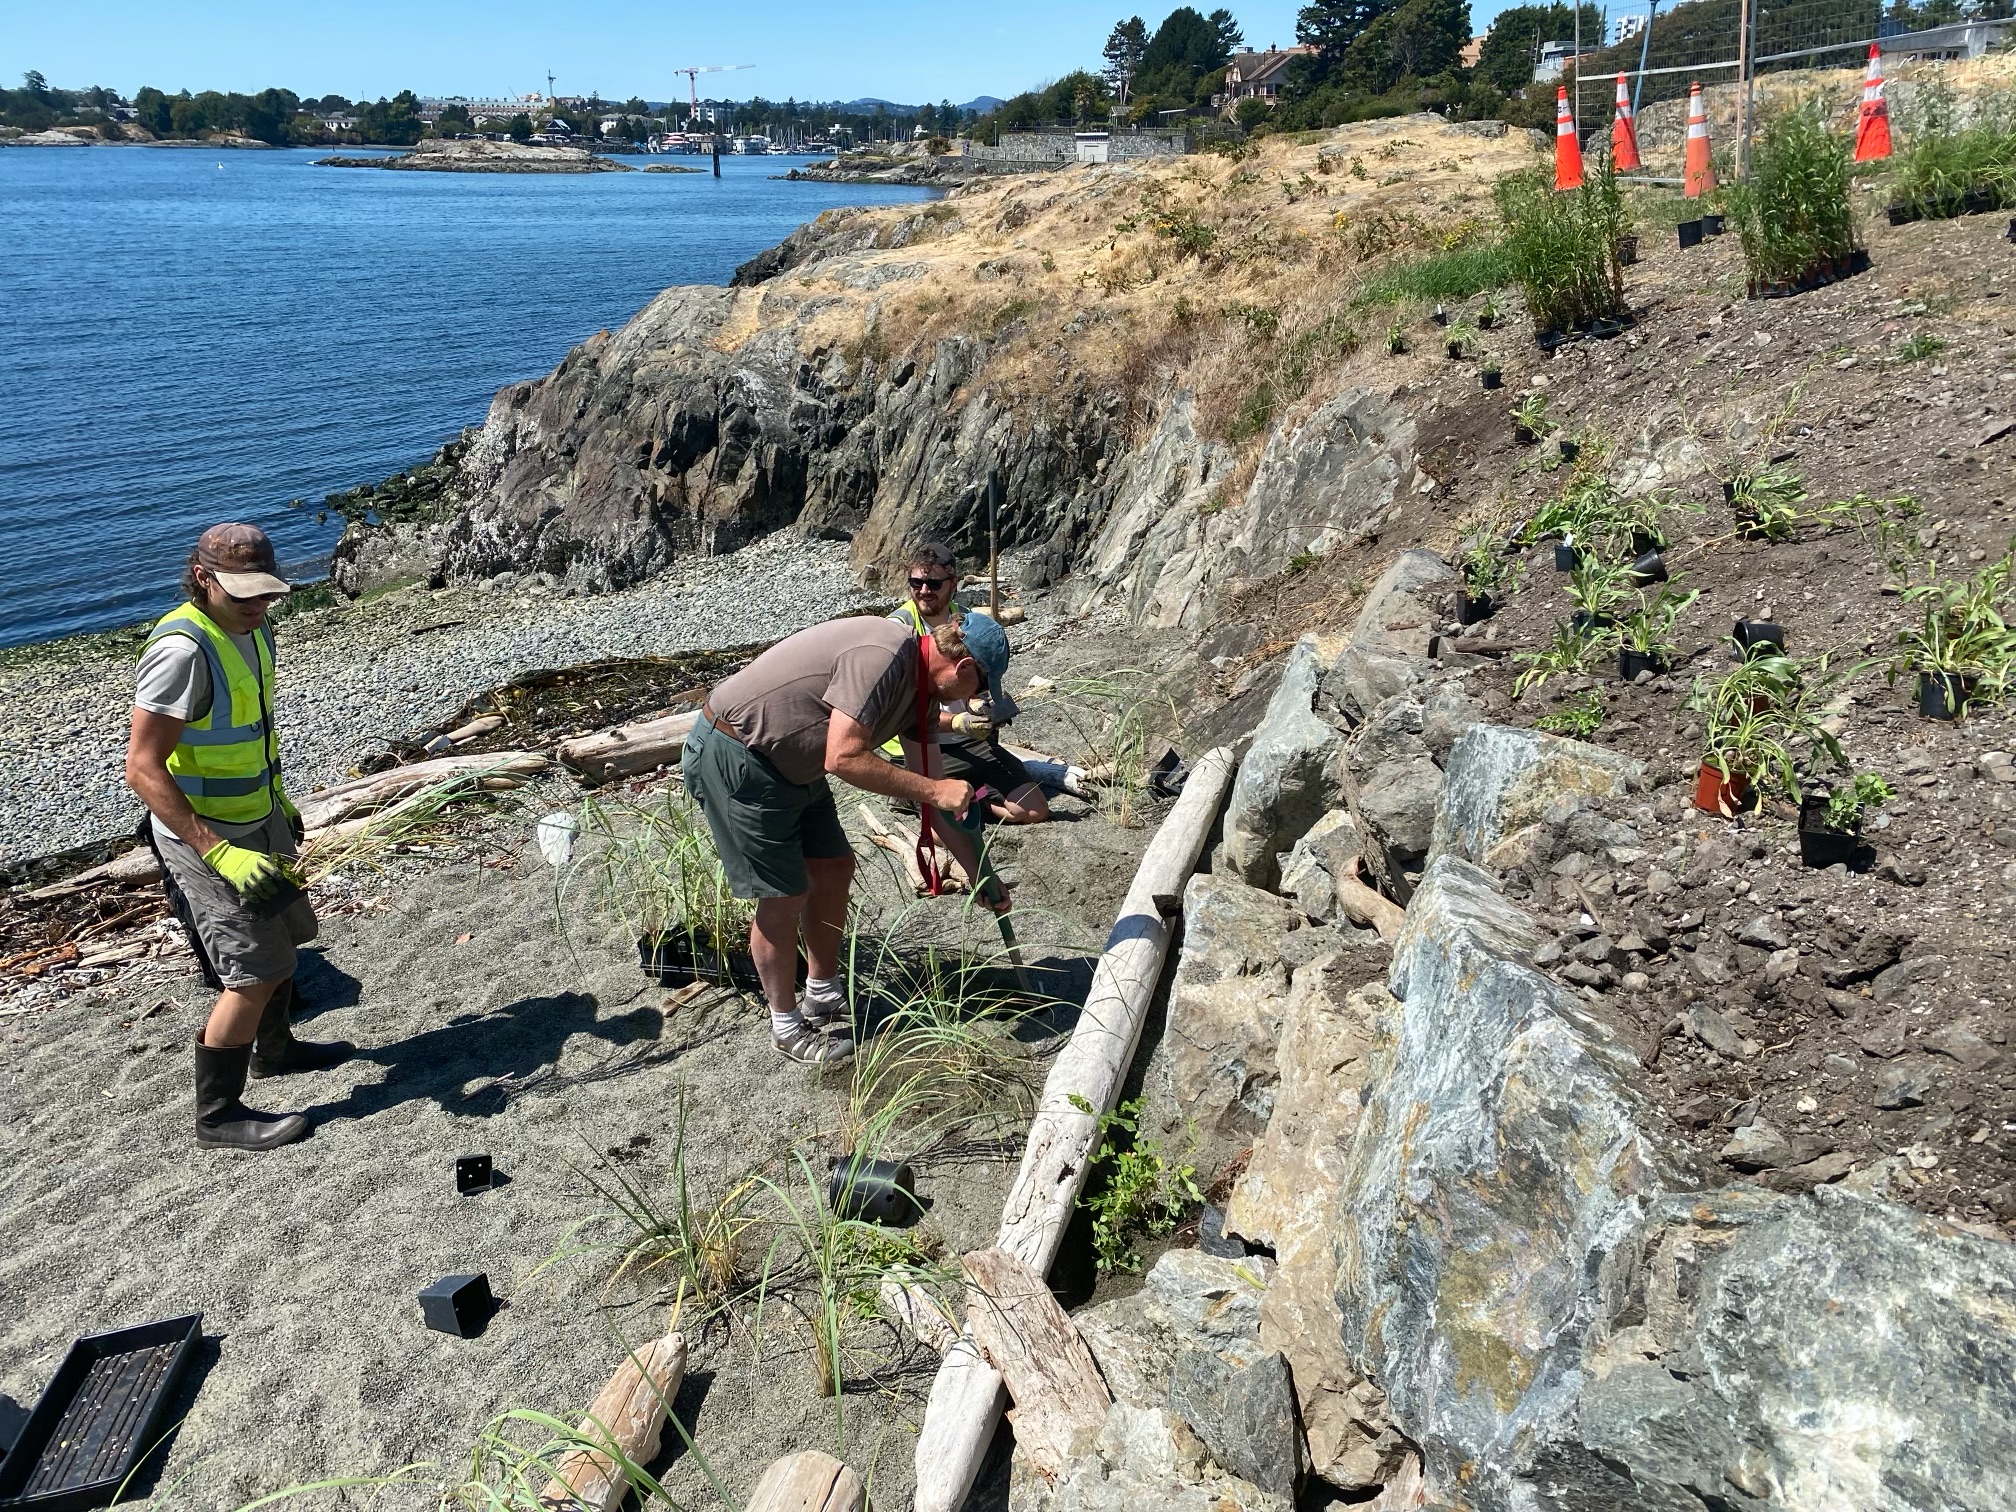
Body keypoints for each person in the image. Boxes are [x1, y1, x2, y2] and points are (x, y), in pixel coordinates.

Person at [683, 614, 1008, 1064]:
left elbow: (938, 795)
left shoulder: (921, 695)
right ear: (965, 666)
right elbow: (844, 758)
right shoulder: (884, 654)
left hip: (796, 764)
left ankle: (821, 990)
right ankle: (786, 1026)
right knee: (784, 892)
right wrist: (936, 790)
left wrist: (980, 877)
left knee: (834, 866)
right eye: (980, 689)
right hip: (739, 753)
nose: (974, 700)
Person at [125, 524, 351, 1152]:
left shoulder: (254, 629)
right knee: (250, 973)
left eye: (266, 592)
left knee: (288, 935)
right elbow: (142, 767)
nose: (259, 603)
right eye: (243, 592)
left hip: (259, 816)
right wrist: (215, 848)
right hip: (204, 836)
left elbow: (253, 730)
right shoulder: (182, 650)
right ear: (203, 578)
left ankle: (275, 1052)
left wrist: (280, 805)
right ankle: (217, 1115)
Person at [888, 542, 1050, 825]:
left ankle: (974, 799)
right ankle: (915, 792)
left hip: (969, 741)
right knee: (947, 826)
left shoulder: (967, 620)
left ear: (954, 583)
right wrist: (957, 722)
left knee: (1034, 810)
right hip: (920, 744)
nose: (924, 591)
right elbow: (902, 714)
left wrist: (979, 704)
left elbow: (979, 680)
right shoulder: (899, 629)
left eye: (933, 583)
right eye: (916, 582)